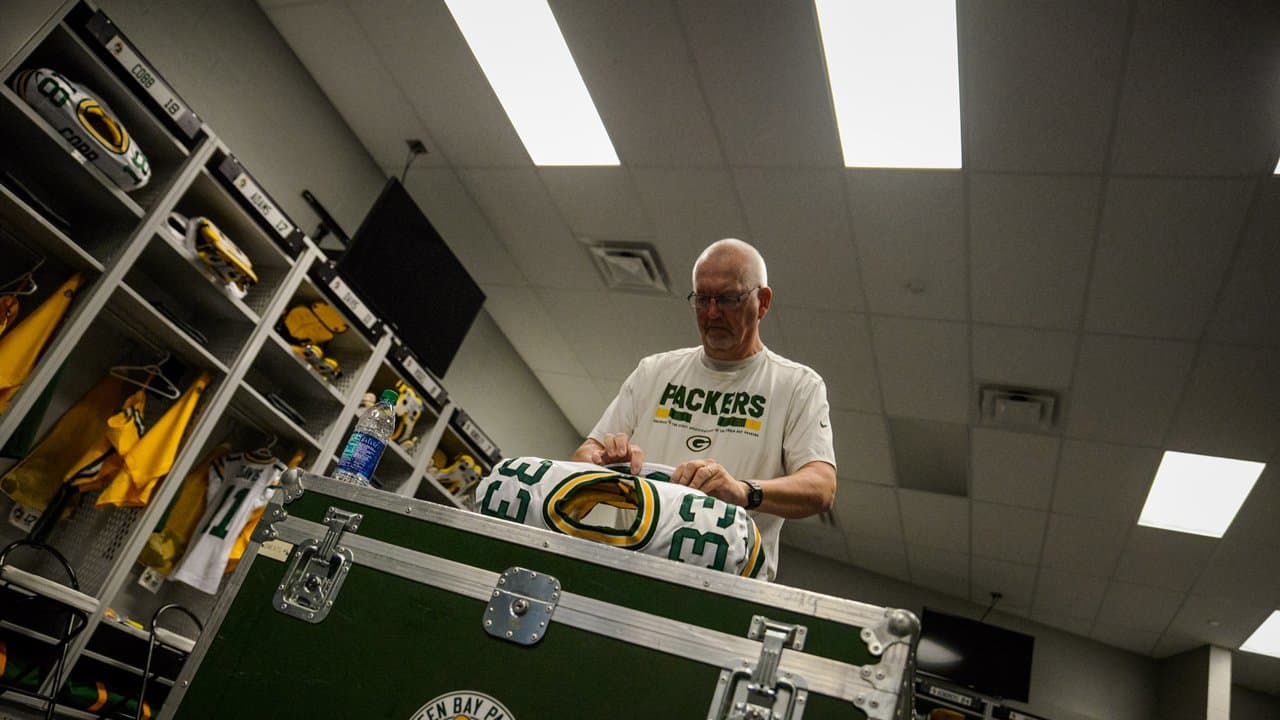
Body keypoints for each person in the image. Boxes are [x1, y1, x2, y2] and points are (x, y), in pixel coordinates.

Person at [572, 238, 836, 580]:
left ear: (763, 302)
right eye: (702, 299)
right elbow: (582, 456)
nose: (712, 313)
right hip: (629, 571)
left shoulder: (797, 385)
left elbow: (821, 487)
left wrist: (743, 491)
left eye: (728, 299)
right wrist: (603, 462)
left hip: (725, 591)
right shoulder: (654, 371)